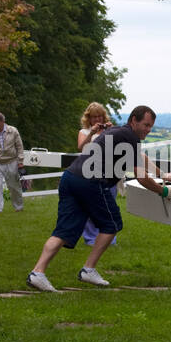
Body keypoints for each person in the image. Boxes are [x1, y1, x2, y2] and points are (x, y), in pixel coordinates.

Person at [26, 105, 171, 292]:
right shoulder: (130, 137)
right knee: (112, 224)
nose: (148, 130)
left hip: (70, 178)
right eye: (145, 125)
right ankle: (88, 269)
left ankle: (38, 273)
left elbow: (140, 159)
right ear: (133, 121)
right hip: (91, 181)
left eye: (151, 126)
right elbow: (142, 177)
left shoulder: (117, 132)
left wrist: (161, 175)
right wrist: (163, 191)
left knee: (63, 231)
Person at [76, 102, 116, 246]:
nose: (97, 120)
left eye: (100, 116)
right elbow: (81, 148)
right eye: (94, 117)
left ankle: (109, 237)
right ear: (89, 118)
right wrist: (92, 132)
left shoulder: (109, 130)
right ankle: (91, 238)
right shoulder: (84, 132)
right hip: (89, 171)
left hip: (108, 172)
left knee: (109, 205)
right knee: (90, 205)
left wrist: (110, 132)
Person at [0, 112, 25, 213]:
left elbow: (19, 147)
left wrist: (20, 161)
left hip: (12, 161)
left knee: (14, 186)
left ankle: (18, 207)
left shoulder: (13, 131)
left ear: (2, 121)